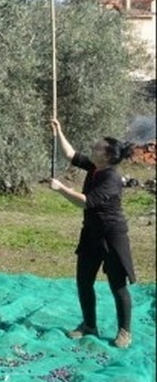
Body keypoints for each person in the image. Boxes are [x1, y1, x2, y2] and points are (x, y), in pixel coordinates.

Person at [49, 119, 136, 348]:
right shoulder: (95, 167)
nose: (93, 148)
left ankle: (124, 331)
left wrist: (61, 189)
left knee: (117, 286)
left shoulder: (112, 178)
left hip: (112, 236)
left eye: (98, 147)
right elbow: (70, 155)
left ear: (107, 156)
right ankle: (89, 325)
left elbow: (87, 202)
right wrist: (58, 131)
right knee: (84, 281)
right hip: (90, 234)